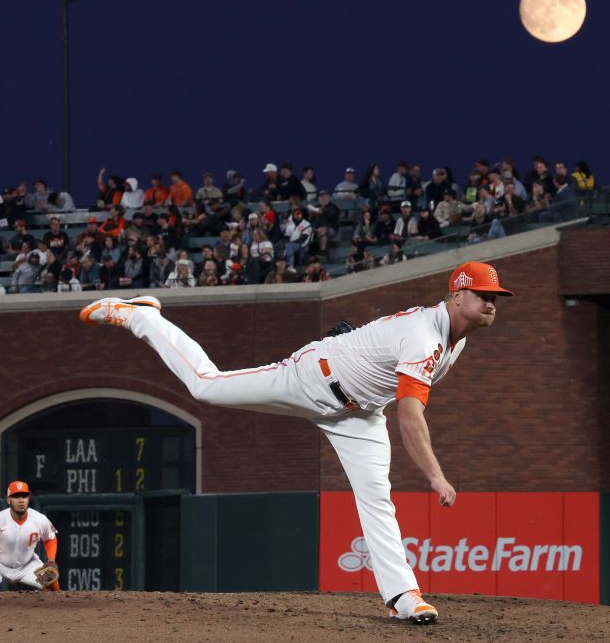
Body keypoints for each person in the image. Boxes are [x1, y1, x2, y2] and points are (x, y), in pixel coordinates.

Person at [79, 260, 515, 624]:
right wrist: (436, 477)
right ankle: (142, 315)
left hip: (358, 414)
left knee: (376, 496)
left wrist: (349, 344)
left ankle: (404, 596)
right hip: (310, 380)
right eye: (483, 295)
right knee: (206, 387)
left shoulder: (452, 341)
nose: (491, 304)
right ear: (457, 296)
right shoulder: (427, 337)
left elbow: (382, 349)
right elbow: (410, 414)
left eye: (495, 298)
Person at [0, 481, 58, 592]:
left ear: (28, 499)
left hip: (28, 563)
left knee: (52, 584)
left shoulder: (39, 519)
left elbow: (50, 538)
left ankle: (57, 610)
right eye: (16, 496)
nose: (21, 500)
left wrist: (51, 559)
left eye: (24, 496)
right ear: (8, 500)